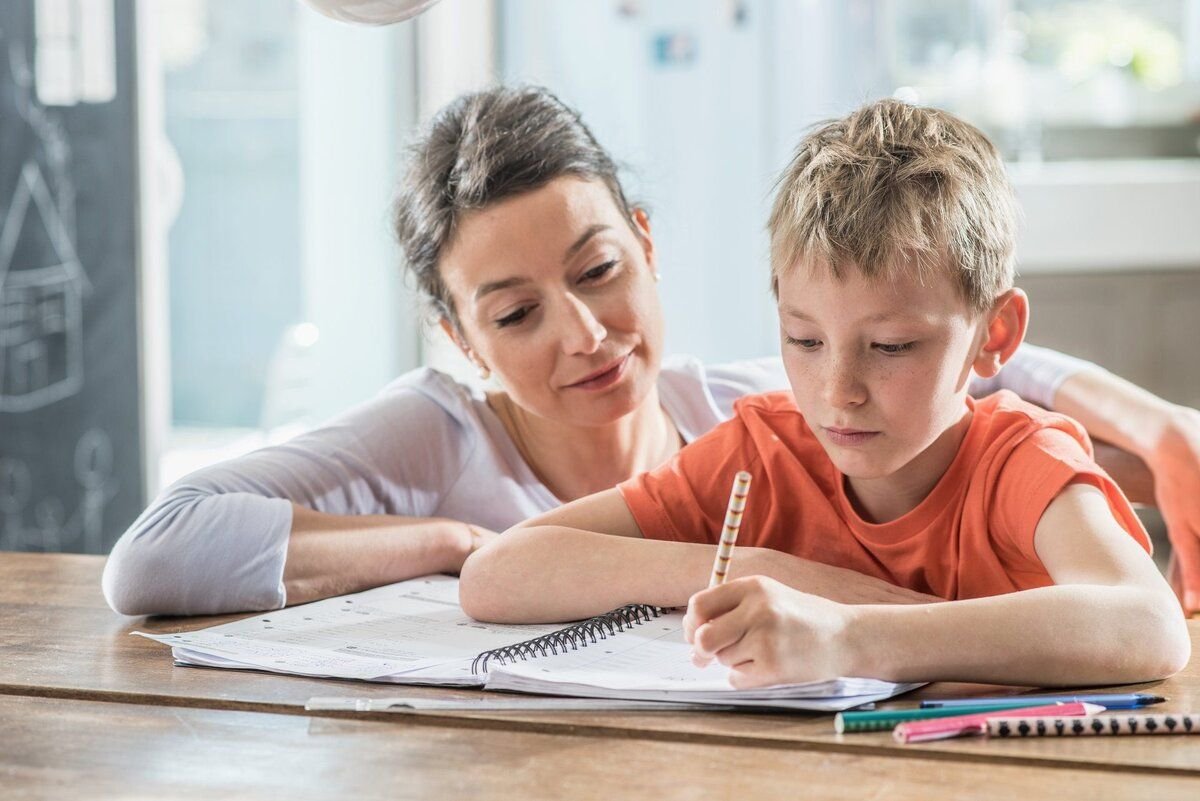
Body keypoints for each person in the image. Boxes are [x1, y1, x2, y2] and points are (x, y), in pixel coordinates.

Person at [103, 86, 1200, 618]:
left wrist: (1152, 422)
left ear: (648, 243)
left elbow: (953, 372)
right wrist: (446, 539)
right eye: (516, 313)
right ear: (458, 337)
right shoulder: (434, 429)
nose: (586, 336)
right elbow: (155, 552)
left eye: (598, 271)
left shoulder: (739, 410)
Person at [458, 99, 1190, 688]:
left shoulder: (1020, 460)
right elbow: (495, 574)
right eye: (804, 341)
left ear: (993, 335)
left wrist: (847, 632)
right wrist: (764, 569)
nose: (838, 391)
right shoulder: (760, 453)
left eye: (892, 347)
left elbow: (1149, 628)